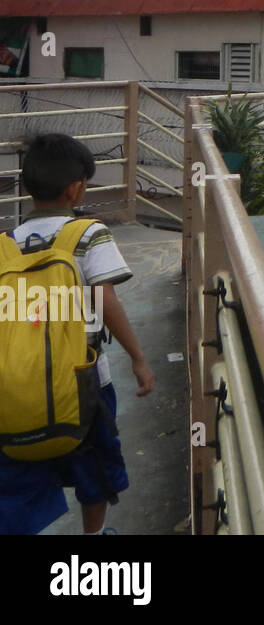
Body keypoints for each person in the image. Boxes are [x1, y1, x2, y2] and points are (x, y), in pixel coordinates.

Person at [0, 134, 155, 536]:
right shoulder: (88, 234)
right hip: (85, 379)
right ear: (76, 188)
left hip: (13, 383)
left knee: (18, 473)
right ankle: (94, 536)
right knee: (95, 464)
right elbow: (106, 298)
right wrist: (138, 358)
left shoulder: (5, 246)